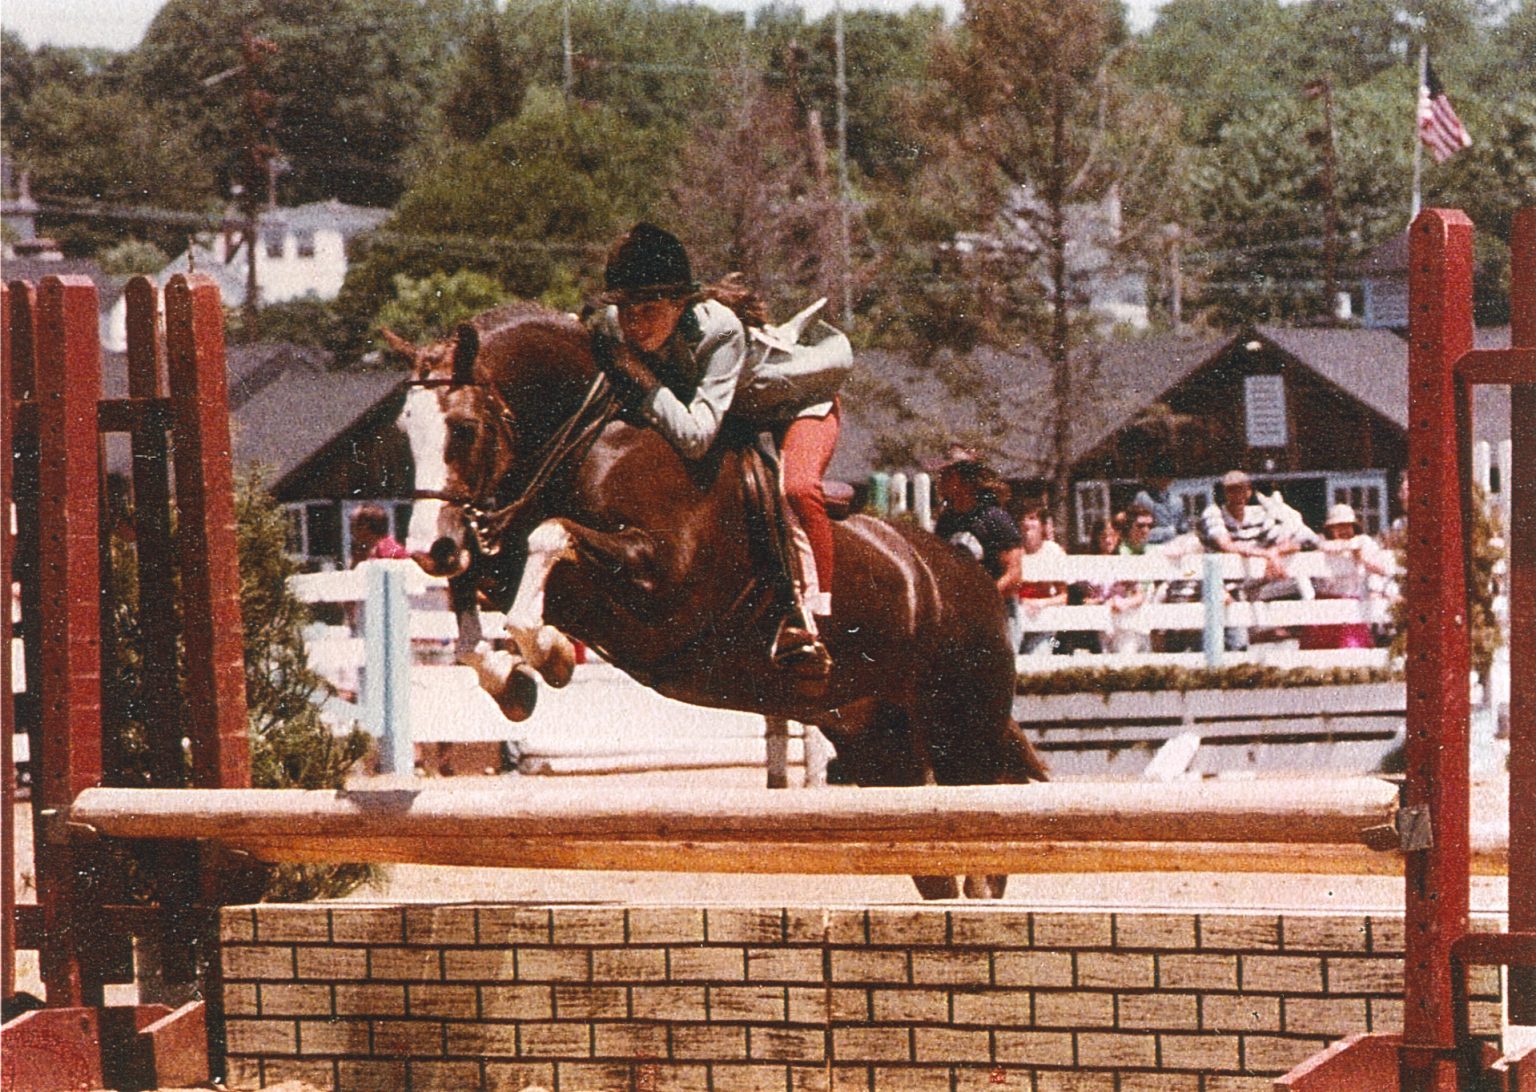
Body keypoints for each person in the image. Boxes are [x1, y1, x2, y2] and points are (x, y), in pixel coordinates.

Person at [587, 222, 852, 679]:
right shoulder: (613, 325)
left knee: (795, 489)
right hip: (733, 411)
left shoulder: (721, 330)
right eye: (626, 310)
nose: (635, 324)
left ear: (680, 303)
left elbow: (695, 436)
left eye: (649, 309)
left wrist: (646, 383)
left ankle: (809, 617)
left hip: (799, 403)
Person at [1198, 469, 1322, 651]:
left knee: (1300, 585)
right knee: (1235, 639)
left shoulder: (1258, 516)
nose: (1237, 495)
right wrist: (1266, 554)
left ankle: (1303, 632)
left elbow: (1302, 541)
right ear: (1225, 493)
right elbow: (1226, 544)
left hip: (1251, 585)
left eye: (1242, 489)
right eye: (1232, 490)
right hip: (1219, 586)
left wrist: (1275, 551)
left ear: (1249, 492)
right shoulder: (1214, 513)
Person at [934, 458, 1025, 649]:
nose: (940, 480)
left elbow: (1014, 576)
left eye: (947, 475)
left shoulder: (995, 519)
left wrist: (980, 599)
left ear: (965, 481)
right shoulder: (946, 521)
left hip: (997, 614)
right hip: (958, 615)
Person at [1302, 503, 1395, 650]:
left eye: (1347, 526)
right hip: (1324, 606)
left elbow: (1384, 569)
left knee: (1352, 649)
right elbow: (1317, 546)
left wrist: (1362, 558)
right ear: (1330, 529)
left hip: (1351, 605)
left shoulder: (1364, 542)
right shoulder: (1321, 544)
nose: (1344, 530)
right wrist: (1343, 547)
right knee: (1317, 653)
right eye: (1338, 526)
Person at [1014, 501, 1067, 656]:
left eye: (1032, 518)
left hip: (1044, 624)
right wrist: (1023, 602)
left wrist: (1040, 603)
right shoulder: (1013, 550)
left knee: (1040, 656)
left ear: (1042, 525)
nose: (1026, 523)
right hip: (1016, 619)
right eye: (1023, 519)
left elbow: (1063, 596)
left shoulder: (1053, 551)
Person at [1132, 453, 1187, 545]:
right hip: (1153, 546)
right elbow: (1140, 532)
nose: (1164, 480)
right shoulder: (1143, 498)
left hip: (1176, 546)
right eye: (1160, 477)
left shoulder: (1177, 500)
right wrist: (1170, 532)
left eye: (1168, 477)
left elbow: (1182, 526)